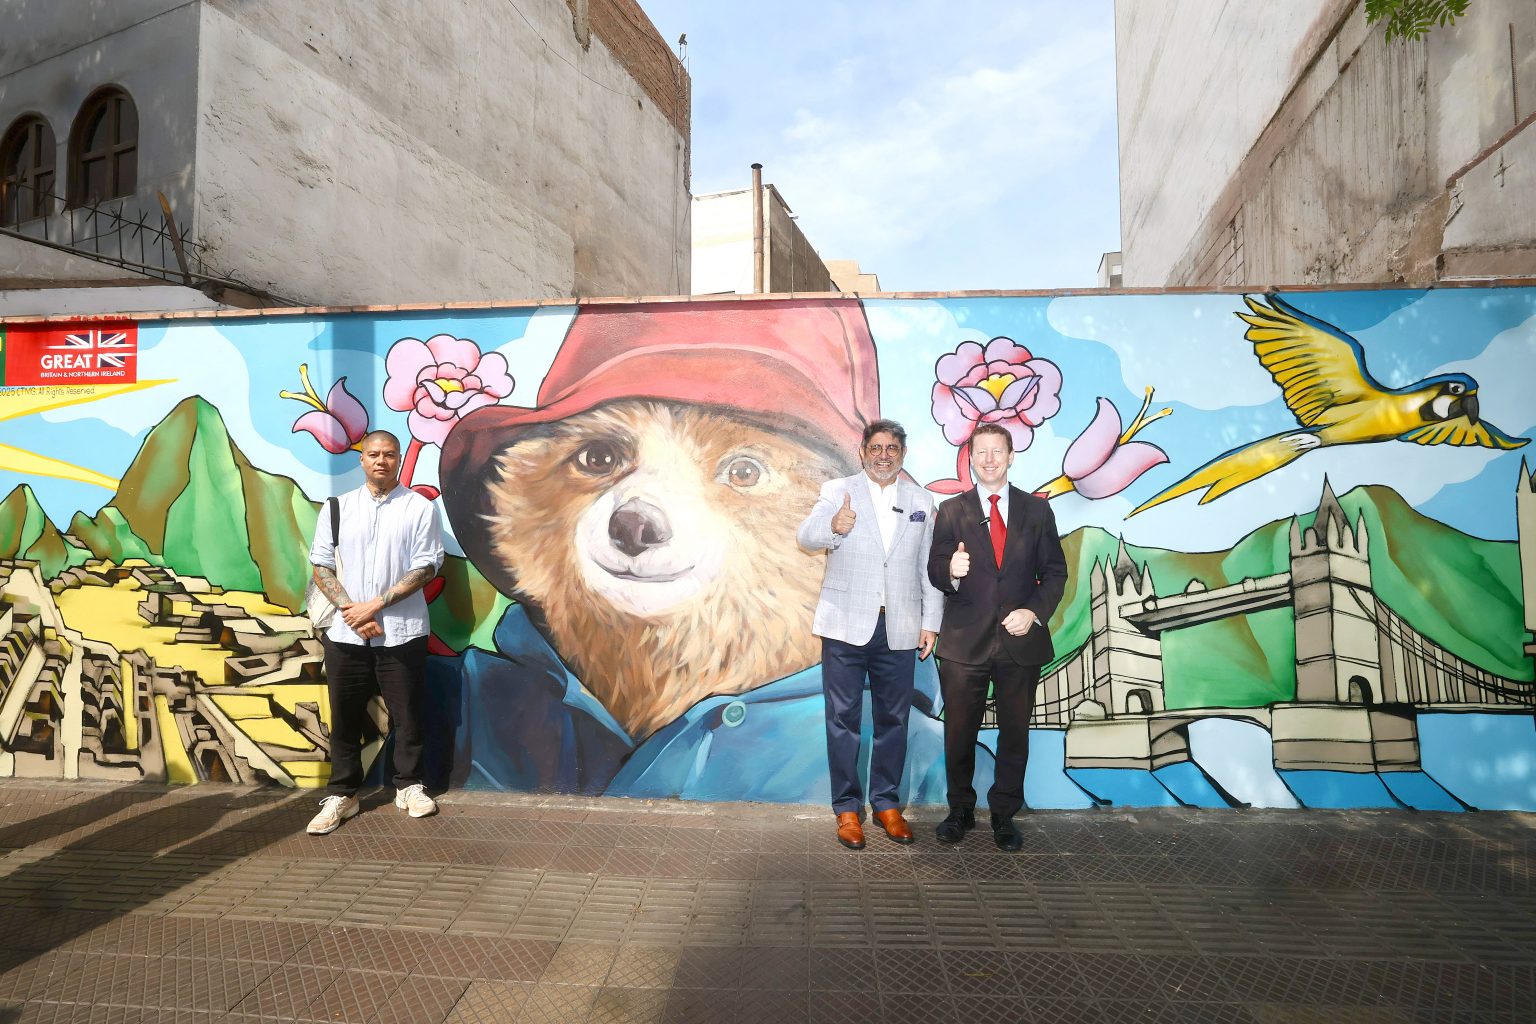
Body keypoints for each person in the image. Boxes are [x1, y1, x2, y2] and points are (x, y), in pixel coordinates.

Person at [797, 419, 943, 849]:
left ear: (902, 455)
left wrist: (930, 621)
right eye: (876, 447)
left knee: (893, 721)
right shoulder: (836, 491)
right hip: (844, 625)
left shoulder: (921, 499)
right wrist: (834, 528)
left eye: (892, 448)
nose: (884, 455)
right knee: (843, 720)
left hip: (899, 628)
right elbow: (806, 535)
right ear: (862, 452)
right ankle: (846, 808)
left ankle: (886, 804)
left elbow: (928, 569)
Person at [926, 422, 1068, 851]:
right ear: (971, 458)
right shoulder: (951, 511)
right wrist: (950, 570)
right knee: (959, 733)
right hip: (963, 644)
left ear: (1010, 457)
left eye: (997, 451)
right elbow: (934, 568)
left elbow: (1056, 573)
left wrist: (1033, 612)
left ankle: (1005, 815)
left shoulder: (1037, 511)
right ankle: (960, 810)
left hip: (1020, 643)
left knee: (1014, 733)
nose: (988, 459)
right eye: (980, 452)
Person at [306, 429, 445, 835]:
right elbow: (321, 565)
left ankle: (409, 786)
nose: (381, 460)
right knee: (345, 716)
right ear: (362, 460)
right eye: (373, 454)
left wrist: (377, 605)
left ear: (399, 459)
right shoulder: (337, 508)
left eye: (388, 454)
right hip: (346, 633)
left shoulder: (419, 509)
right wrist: (354, 612)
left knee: (408, 714)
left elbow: (427, 566)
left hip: (402, 631)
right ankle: (343, 795)